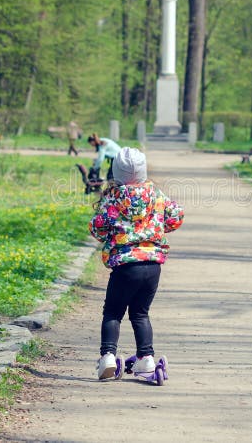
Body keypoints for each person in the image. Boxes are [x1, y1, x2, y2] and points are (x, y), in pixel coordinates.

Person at [89, 147, 184, 380]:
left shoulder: (113, 198)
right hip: (152, 266)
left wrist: (111, 234)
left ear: (116, 173)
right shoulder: (157, 195)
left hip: (125, 266)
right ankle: (146, 359)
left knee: (113, 312)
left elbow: (97, 227)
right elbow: (176, 216)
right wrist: (158, 227)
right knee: (140, 313)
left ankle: (108, 357)